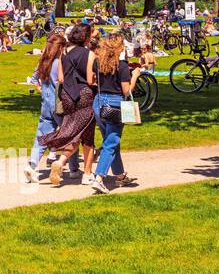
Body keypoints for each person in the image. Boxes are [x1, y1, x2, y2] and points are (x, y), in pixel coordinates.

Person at [38, 23, 97, 187]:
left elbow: (61, 79)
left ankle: (61, 161)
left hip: (67, 96)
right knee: (88, 137)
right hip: (85, 95)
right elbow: (90, 79)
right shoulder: (89, 54)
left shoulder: (63, 52)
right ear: (86, 37)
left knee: (74, 131)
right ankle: (87, 174)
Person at [85, 32, 139, 193]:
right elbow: (126, 90)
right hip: (115, 103)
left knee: (111, 141)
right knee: (111, 142)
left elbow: (92, 81)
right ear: (119, 48)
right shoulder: (122, 67)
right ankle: (99, 177)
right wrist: (135, 76)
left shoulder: (98, 63)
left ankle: (120, 176)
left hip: (99, 102)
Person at [25, 32, 67, 183]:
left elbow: (34, 78)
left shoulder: (43, 61)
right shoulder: (59, 63)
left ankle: (32, 165)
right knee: (70, 134)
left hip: (46, 103)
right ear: (60, 47)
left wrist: (40, 88)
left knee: (41, 136)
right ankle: (73, 168)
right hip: (59, 103)